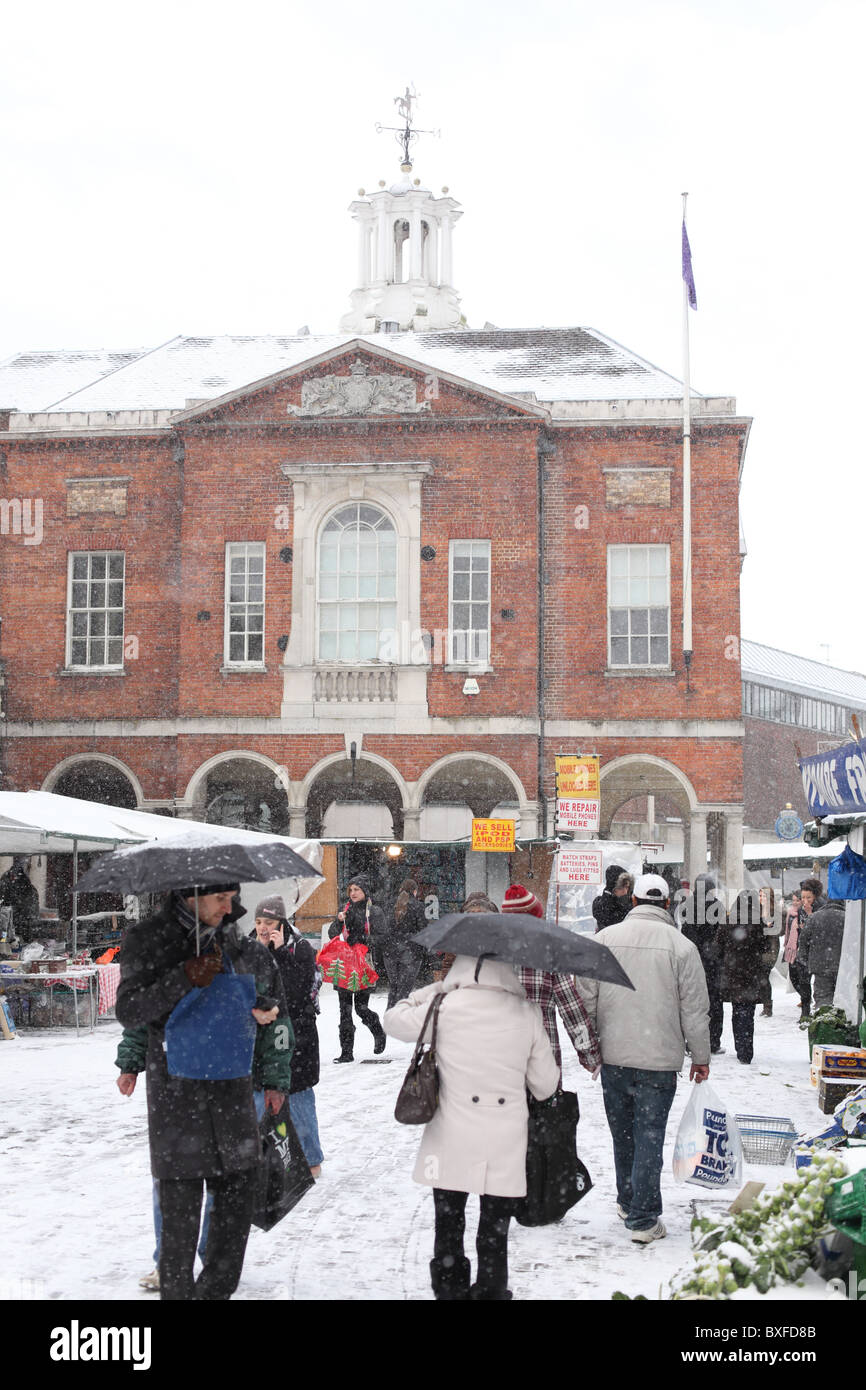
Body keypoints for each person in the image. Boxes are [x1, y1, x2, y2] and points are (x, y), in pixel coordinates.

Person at [115, 882, 291, 1301]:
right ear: (189, 894)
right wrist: (183, 977)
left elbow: (269, 995)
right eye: (219, 899)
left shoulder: (236, 941)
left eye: (232, 898)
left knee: (232, 1222)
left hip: (233, 1097)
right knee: (178, 1229)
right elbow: (129, 1011)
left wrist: (265, 1007)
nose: (230, 908)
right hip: (177, 1101)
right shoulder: (148, 940)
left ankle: (214, 1294)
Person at [384, 949, 559, 1301]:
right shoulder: (526, 1013)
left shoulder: (445, 1007)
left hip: (453, 1133)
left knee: (449, 1220)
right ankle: (491, 1290)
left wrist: (434, 991)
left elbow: (392, 1019)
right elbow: (546, 1085)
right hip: (504, 1136)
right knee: (495, 1227)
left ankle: (450, 1289)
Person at [577, 872, 710, 1244]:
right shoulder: (682, 948)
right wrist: (700, 1056)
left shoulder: (604, 940)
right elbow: (695, 1010)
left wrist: (592, 1046)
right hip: (659, 1060)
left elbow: (585, 998)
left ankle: (628, 1199)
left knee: (623, 1133)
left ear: (632, 902)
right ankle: (643, 1218)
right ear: (667, 904)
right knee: (649, 1133)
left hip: (615, 1057)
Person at [114, 1024, 214, 1293]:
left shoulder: (233, 980)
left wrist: (274, 1079)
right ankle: (169, 1262)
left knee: (222, 1178)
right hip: (170, 1084)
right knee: (168, 1176)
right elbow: (140, 1015)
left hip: (226, 1080)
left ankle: (215, 1260)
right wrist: (129, 1064)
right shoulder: (157, 982)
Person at [252, 896, 324, 1178]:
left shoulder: (301, 949)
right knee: (259, 1100)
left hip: (297, 1039)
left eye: (268, 923)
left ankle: (311, 1159)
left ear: (282, 923)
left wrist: (280, 955)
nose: (262, 928)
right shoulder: (249, 950)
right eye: (258, 922)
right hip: (261, 1042)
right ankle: (263, 1162)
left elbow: (293, 995)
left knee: (299, 1100)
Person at [501, 884, 601, 1077]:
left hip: (497, 1060)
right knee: (543, 1105)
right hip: (542, 1060)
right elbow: (572, 1011)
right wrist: (590, 1055)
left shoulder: (485, 954)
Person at [320, 873, 387, 1062]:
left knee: (360, 1008)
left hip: (363, 964)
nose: (353, 893)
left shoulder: (374, 912)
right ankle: (346, 1052)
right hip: (344, 964)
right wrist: (339, 921)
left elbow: (383, 937)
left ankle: (378, 1031)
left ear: (365, 891)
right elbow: (333, 933)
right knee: (344, 1010)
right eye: (351, 890)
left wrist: (364, 939)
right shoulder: (345, 909)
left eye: (357, 889)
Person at [717, 890, 768, 1065]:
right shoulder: (757, 922)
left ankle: (741, 1047)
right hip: (751, 971)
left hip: (733, 971)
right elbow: (764, 946)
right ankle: (747, 1050)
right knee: (748, 1011)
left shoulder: (728, 921)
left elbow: (718, 945)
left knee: (737, 1010)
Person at [677, 872, 726, 1054]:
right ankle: (713, 1042)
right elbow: (721, 934)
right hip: (712, 963)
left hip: (691, 960)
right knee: (714, 1002)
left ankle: (691, 1042)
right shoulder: (717, 906)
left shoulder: (686, 906)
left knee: (692, 1002)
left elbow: (684, 932)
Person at [380, 878, 427, 1009]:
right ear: (415, 891)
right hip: (410, 953)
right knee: (404, 992)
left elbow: (384, 929)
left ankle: (390, 1019)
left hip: (390, 953)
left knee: (394, 988)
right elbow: (423, 932)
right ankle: (398, 1023)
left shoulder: (389, 904)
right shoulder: (418, 906)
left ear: (400, 889)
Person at [796, 896, 846, 1011]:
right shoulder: (847, 918)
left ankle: (824, 1022)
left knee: (823, 999)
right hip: (842, 967)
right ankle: (840, 1024)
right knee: (843, 1000)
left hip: (820, 966)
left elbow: (803, 941)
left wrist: (805, 961)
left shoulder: (814, 917)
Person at [794, 878, 826, 1018]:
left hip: (819, 951)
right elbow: (803, 929)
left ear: (815, 896)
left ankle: (821, 1012)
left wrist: (810, 915)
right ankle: (805, 1012)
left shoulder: (822, 907)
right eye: (803, 897)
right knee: (803, 981)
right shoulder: (801, 909)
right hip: (805, 950)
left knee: (820, 984)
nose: (805, 900)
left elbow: (821, 930)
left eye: (808, 897)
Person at [783, 890, 809, 1019]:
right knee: (793, 977)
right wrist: (786, 942)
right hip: (791, 949)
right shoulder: (790, 913)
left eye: (797, 900)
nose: (795, 902)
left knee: (803, 979)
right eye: (793, 900)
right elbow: (787, 930)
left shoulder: (804, 913)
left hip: (800, 949)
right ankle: (804, 997)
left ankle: (806, 1000)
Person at [0, 858, 40, 938]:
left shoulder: (27, 888)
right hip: (17, 919)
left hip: (20, 919)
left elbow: (31, 907)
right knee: (6, 936)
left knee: (7, 935)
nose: (13, 879)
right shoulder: (7, 884)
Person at [592, 864, 633, 932]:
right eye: (621, 887)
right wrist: (608, 897)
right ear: (613, 888)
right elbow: (607, 918)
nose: (625, 892)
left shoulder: (631, 903)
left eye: (627, 887)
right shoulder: (599, 904)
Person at [757, 886, 779, 1018]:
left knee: (764, 975)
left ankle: (767, 1006)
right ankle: (765, 1004)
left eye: (764, 896)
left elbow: (777, 931)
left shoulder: (774, 911)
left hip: (771, 946)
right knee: (761, 977)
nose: (761, 898)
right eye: (760, 895)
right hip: (760, 946)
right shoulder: (756, 911)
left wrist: (768, 927)